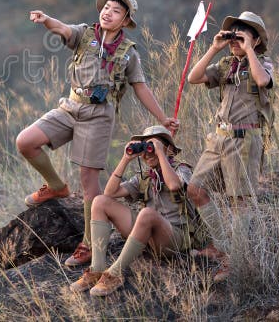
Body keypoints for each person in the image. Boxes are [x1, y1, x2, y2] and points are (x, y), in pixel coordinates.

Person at [17, 0, 179, 267]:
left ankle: (89, 244)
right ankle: (56, 186)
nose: (108, 12)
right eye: (106, 7)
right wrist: (46, 20)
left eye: (116, 10)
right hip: (70, 106)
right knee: (26, 141)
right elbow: (61, 28)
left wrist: (163, 118)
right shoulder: (85, 34)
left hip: (99, 116)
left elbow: (141, 88)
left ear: (126, 20)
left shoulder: (129, 54)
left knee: (89, 179)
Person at [185, 11, 274, 282]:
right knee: (195, 189)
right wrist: (215, 47)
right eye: (233, 34)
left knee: (239, 203)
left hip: (244, 139)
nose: (235, 39)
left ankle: (235, 260)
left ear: (256, 40)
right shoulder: (225, 64)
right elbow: (193, 78)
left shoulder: (264, 63)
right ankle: (222, 246)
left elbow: (262, 82)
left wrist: (249, 51)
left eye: (242, 35)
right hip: (219, 137)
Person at [69, 125, 198, 296]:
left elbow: (174, 185)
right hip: (148, 239)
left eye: (152, 146)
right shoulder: (144, 177)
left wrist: (160, 153)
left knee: (147, 214)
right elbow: (110, 193)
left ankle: (114, 274)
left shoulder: (181, 169)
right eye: (145, 148)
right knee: (100, 201)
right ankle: (96, 270)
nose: (148, 152)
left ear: (170, 149)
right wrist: (125, 159)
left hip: (174, 239)